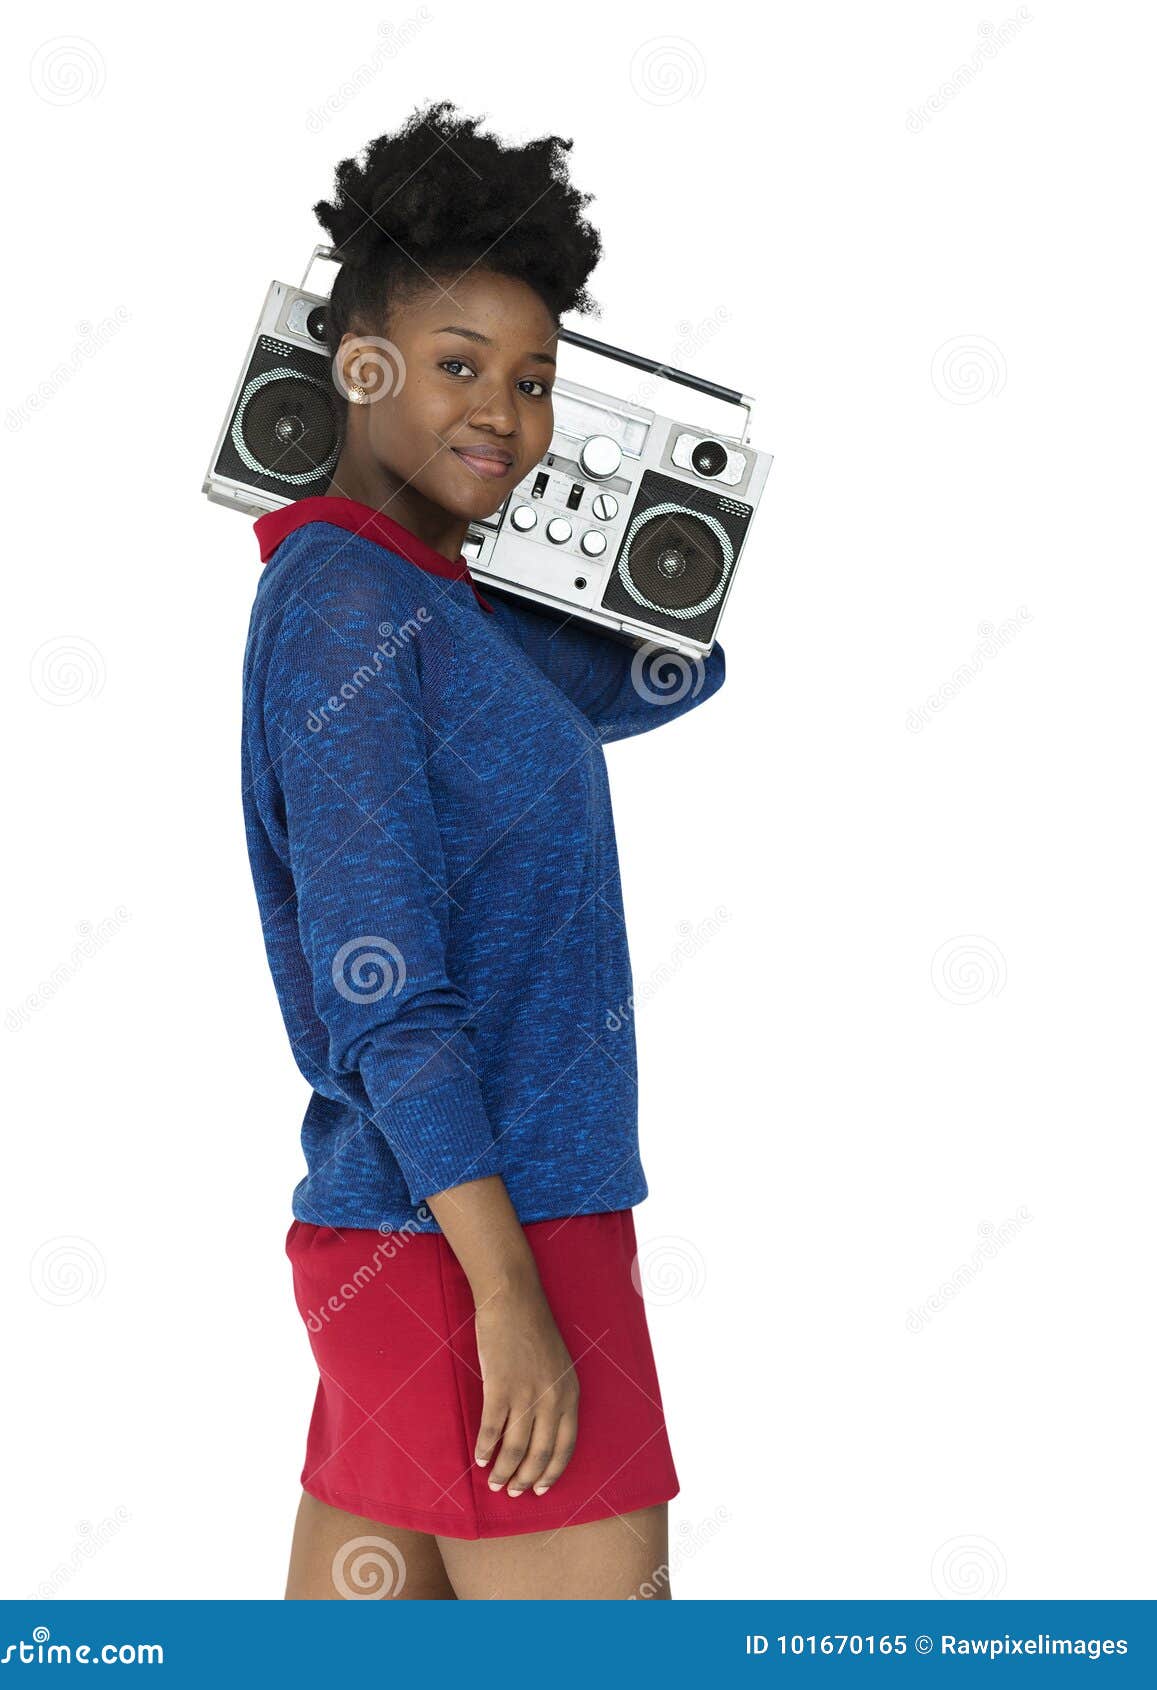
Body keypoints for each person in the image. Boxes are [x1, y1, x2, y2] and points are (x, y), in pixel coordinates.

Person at [240, 99, 727, 1601]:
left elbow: (668, 667)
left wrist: (570, 516)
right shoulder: (345, 609)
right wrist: (512, 1293)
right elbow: (382, 982)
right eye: (456, 368)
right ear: (354, 361)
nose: (504, 419)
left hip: (421, 1231)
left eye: (533, 384)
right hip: (492, 1239)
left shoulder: (432, 609)